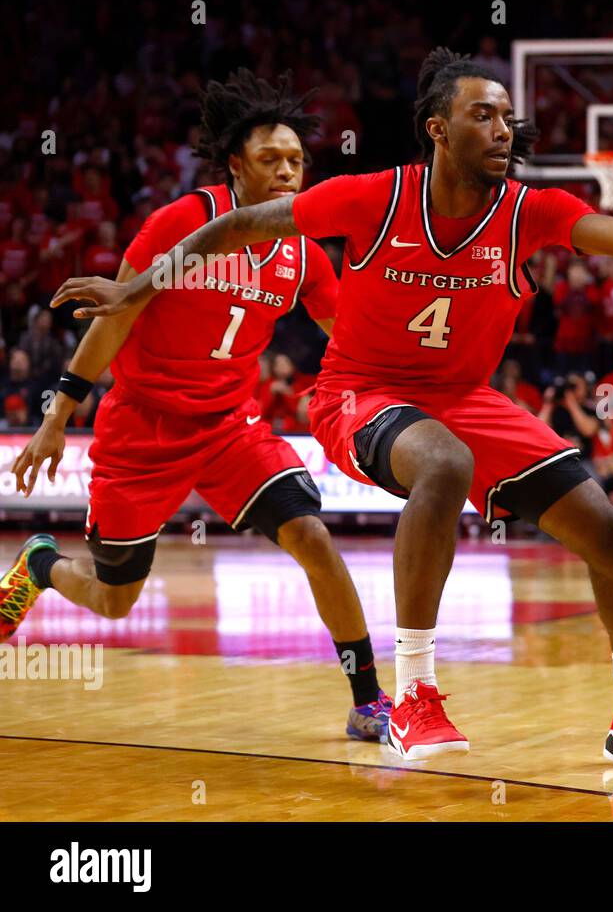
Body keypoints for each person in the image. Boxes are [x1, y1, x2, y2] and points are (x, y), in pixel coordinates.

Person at [52, 48, 613, 770]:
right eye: (483, 115)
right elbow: (236, 226)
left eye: (508, 116)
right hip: (359, 393)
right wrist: (133, 290)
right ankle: (410, 695)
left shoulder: (526, 211)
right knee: (443, 461)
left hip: (465, 399)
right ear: (438, 129)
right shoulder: (374, 195)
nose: (503, 129)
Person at [5, 70, 391, 741]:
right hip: (142, 427)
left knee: (312, 534)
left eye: (297, 161)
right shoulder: (183, 222)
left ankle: (369, 699)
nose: (287, 172)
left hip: (228, 426)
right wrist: (56, 417)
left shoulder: (302, 254)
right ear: (236, 164)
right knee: (116, 597)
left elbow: (354, 337)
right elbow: (115, 319)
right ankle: (42, 564)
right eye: (271, 159)